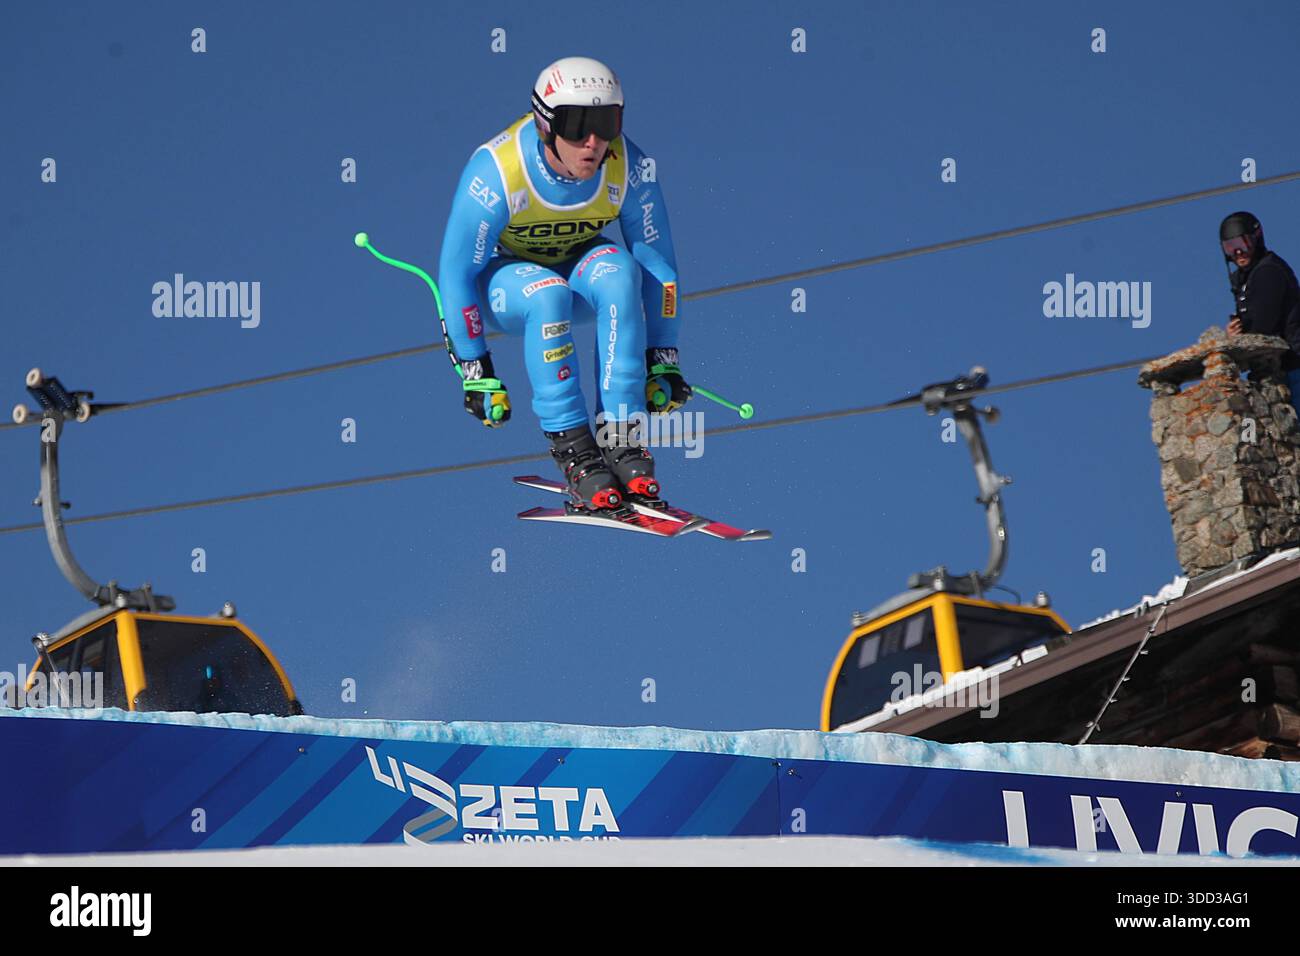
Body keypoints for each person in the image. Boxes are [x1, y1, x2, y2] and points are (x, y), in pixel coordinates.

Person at [437, 56, 691, 510]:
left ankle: (622, 437)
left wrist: (664, 358)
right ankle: (574, 447)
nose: (593, 143)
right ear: (545, 125)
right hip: (505, 283)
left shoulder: (629, 166)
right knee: (547, 295)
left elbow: (660, 269)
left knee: (620, 274)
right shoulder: (496, 173)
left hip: (576, 268)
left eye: (606, 122)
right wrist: (476, 371)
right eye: (576, 125)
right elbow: (456, 275)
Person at [1220, 211, 1300, 415]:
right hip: (1281, 370)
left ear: (1256, 238)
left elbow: (1264, 326)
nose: (1237, 252)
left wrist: (1240, 338)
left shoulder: (1268, 272)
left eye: (1242, 244)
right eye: (1230, 247)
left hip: (1294, 364)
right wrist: (1235, 331)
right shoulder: (1245, 279)